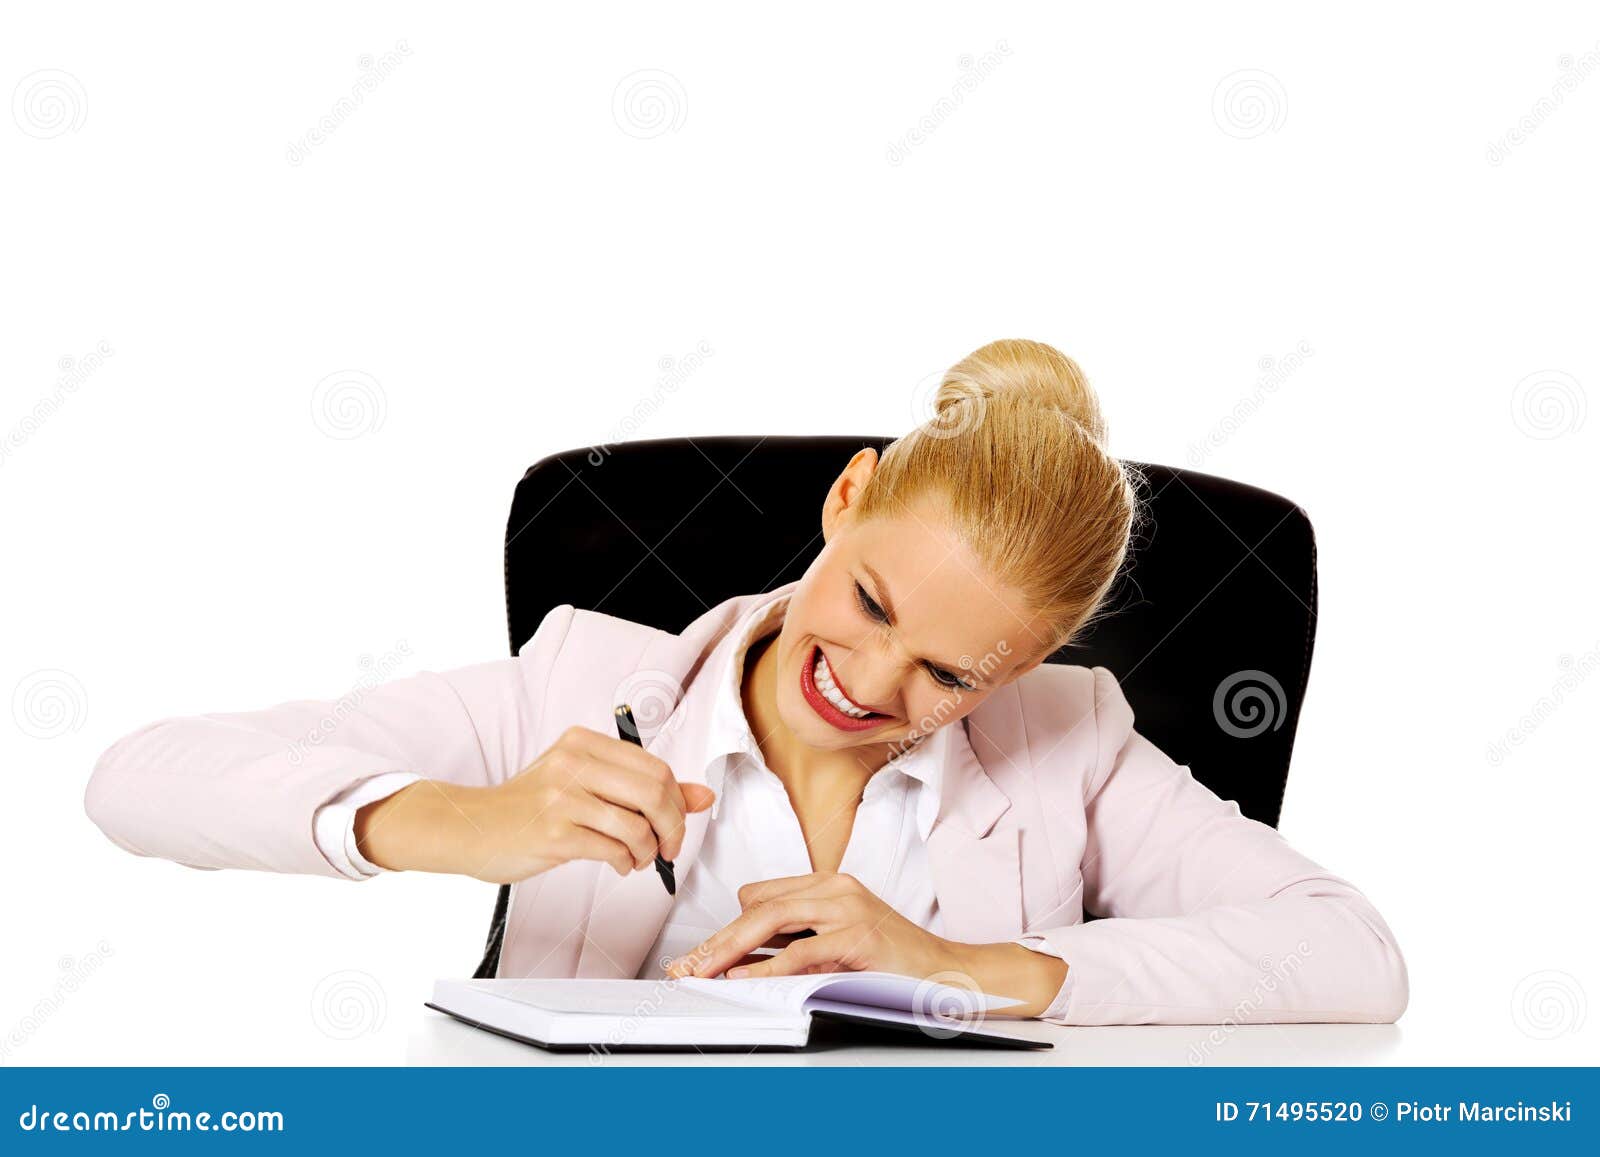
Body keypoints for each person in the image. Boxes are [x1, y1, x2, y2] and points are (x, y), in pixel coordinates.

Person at [84, 338, 1408, 1026]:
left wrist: (959, 965)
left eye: (952, 672)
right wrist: (460, 822)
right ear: (848, 496)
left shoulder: (1070, 742)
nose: (871, 681)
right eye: (872, 601)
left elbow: (1350, 953)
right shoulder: (582, 683)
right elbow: (136, 777)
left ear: (1027, 667)